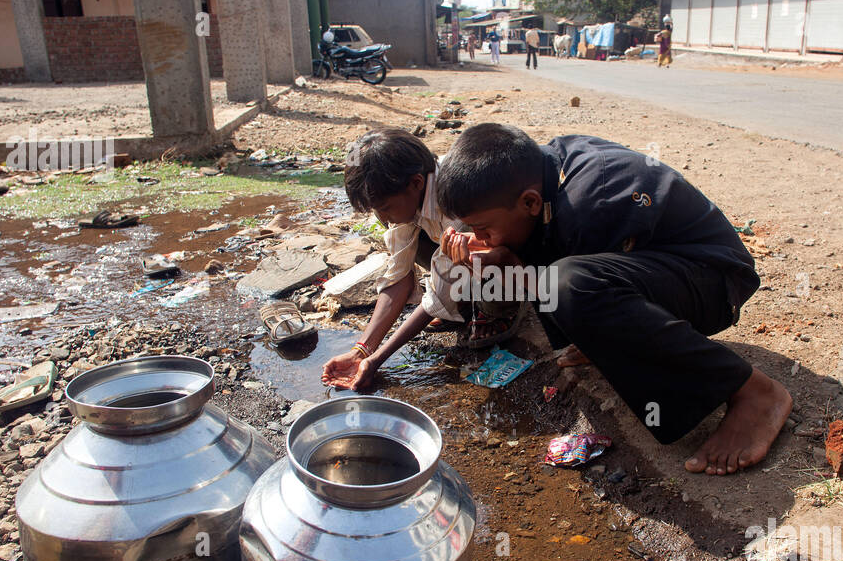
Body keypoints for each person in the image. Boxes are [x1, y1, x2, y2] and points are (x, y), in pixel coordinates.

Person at [435, 124, 792, 476]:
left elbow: (574, 283)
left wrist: (513, 266)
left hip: (716, 283)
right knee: (565, 283)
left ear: (529, 202)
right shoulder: (542, 174)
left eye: (482, 229)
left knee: (568, 285)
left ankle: (752, 392)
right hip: (664, 270)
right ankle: (610, 341)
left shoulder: (589, 201)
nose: (478, 238)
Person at [320, 128, 519, 391]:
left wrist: (378, 359)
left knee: (480, 275)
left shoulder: (457, 204)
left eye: (385, 208)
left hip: (514, 265)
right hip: (459, 254)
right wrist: (361, 351)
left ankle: (499, 312)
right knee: (419, 243)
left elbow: (438, 292)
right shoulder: (415, 195)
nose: (383, 217)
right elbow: (398, 276)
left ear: (415, 183)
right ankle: (462, 307)